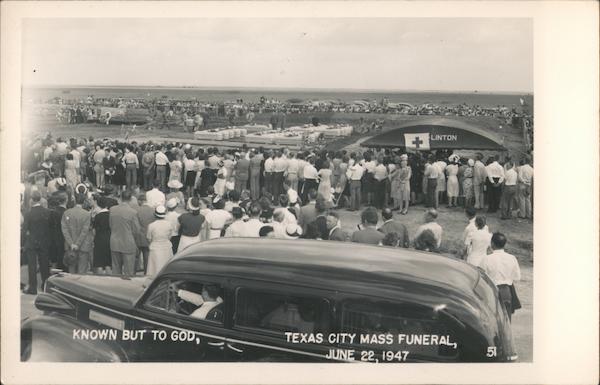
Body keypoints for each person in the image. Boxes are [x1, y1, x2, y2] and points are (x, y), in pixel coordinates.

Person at [480, 233, 521, 320]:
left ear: (492, 243)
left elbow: (481, 276)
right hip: (506, 291)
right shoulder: (512, 258)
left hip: (491, 290)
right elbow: (517, 277)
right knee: (506, 321)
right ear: (504, 244)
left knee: (492, 320)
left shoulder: (487, 258)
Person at [22, 191, 51, 294]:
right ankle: (46, 285)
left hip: (32, 240)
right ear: (40, 199)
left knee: (32, 265)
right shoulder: (47, 212)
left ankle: (33, 287)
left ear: (31, 200)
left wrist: (22, 243)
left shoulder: (28, 213)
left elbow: (24, 229)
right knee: (44, 264)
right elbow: (49, 228)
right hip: (44, 241)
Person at [109, 190, 142, 276]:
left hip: (115, 241)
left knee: (116, 270)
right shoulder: (132, 212)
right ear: (130, 199)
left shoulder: (112, 210)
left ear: (120, 198)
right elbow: (136, 230)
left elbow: (111, 225)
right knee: (128, 271)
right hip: (128, 242)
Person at [61, 193, 93, 273]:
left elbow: (64, 230)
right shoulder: (87, 214)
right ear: (84, 201)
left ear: (74, 200)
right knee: (82, 271)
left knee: (71, 269)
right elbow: (84, 231)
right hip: (83, 245)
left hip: (69, 246)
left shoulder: (67, 213)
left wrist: (71, 243)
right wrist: (77, 244)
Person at [146, 205, 174, 276]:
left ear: (155, 214)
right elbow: (170, 236)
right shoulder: (169, 224)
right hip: (167, 247)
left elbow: (149, 238)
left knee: (155, 269)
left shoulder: (151, 225)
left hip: (155, 248)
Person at [136, 192, 155, 274]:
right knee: (147, 256)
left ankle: (134, 272)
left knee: (136, 256)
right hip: (148, 236)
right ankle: (146, 273)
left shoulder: (137, 210)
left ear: (140, 201)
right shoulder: (152, 210)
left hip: (138, 236)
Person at [92, 196, 112, 274]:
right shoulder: (110, 215)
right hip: (109, 239)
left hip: (99, 240)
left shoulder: (97, 216)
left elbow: (94, 230)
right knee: (108, 264)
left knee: (99, 263)